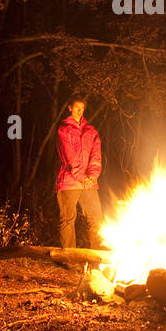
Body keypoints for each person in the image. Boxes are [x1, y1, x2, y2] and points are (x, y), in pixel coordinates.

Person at [55, 96, 105, 250]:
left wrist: (92, 175)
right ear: (70, 107)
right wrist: (82, 176)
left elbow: (96, 156)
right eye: (76, 107)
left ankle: (97, 258)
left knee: (96, 218)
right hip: (69, 182)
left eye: (82, 108)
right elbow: (68, 156)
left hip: (89, 182)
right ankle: (70, 259)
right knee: (68, 220)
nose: (79, 111)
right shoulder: (64, 129)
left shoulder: (91, 131)